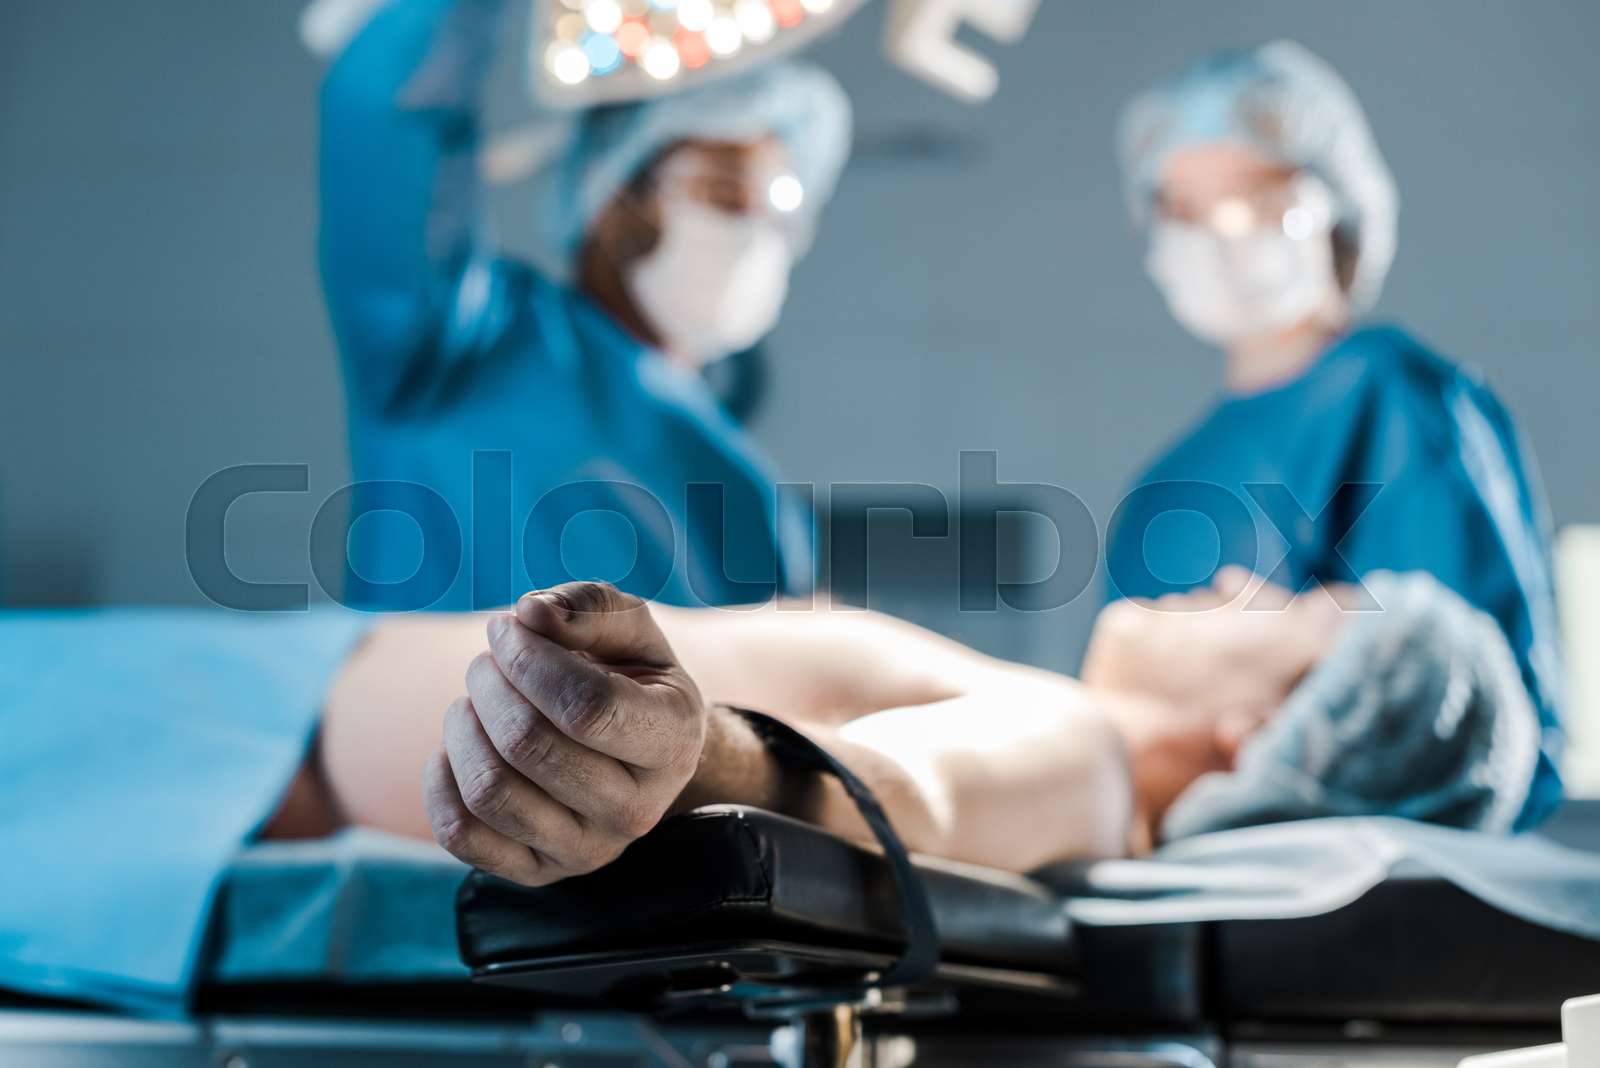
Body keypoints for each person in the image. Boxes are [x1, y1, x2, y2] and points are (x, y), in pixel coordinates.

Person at [1104, 41, 1565, 828]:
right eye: (1182, 209)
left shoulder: (1394, 398)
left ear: (1333, 208)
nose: (1216, 235)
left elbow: (1463, 720)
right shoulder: (1164, 482)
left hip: (1355, 898)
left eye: (1251, 200)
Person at [318, 0, 850, 612]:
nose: (757, 231)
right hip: (420, 707)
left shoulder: (753, 497)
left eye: (782, 209)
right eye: (722, 192)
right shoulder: (464, 346)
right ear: (613, 197)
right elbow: (394, 123)